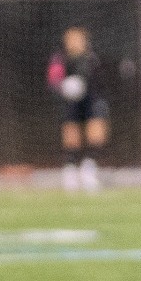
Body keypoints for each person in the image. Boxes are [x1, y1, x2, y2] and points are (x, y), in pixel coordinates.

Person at [47, 26, 108, 192]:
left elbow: (100, 81)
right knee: (71, 136)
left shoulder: (91, 58)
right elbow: (53, 81)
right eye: (70, 39)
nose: (74, 42)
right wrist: (62, 87)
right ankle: (70, 172)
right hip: (70, 103)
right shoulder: (59, 59)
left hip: (91, 101)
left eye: (78, 39)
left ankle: (88, 170)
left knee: (97, 132)